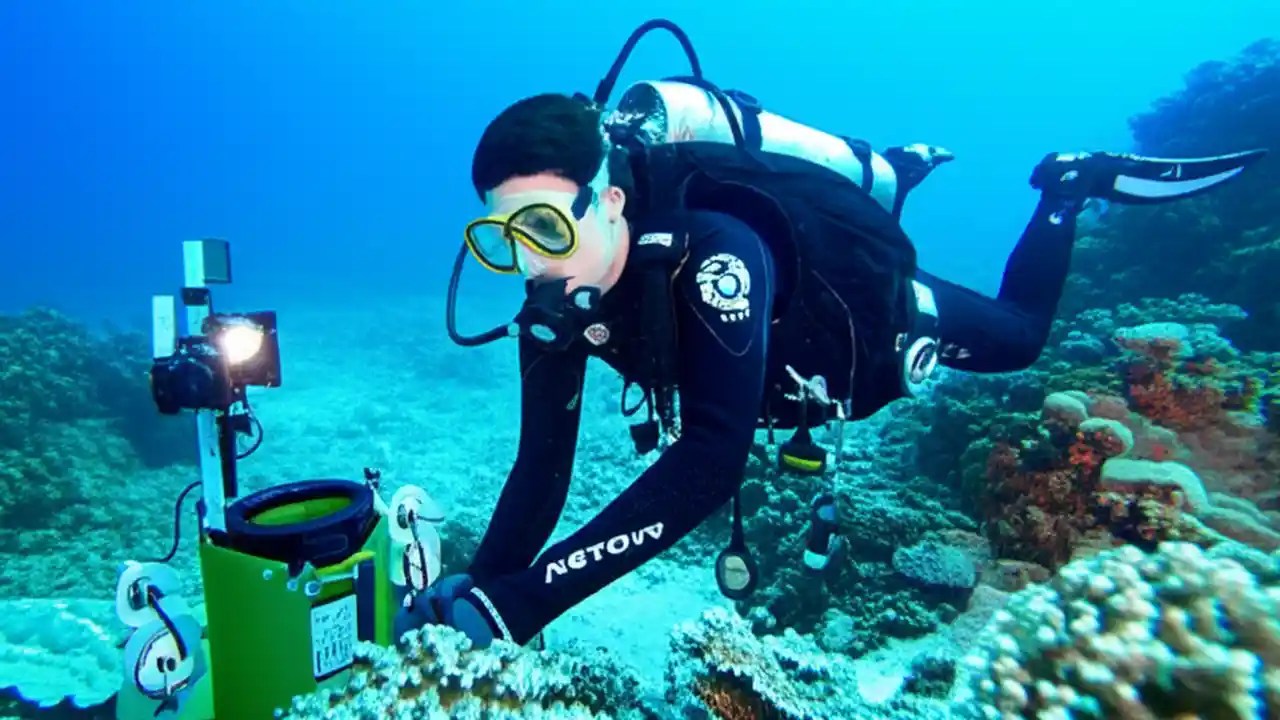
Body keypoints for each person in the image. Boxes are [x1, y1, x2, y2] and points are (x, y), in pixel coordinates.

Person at [398, 66, 1265, 649]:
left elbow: (708, 461)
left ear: (613, 199)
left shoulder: (718, 254)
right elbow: (540, 464)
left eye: (546, 226)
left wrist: (517, 606)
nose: (532, 261)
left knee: (1020, 339)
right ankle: (897, 170)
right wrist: (478, 598)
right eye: (501, 237)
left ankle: (1066, 190)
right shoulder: (552, 302)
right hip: (778, 386)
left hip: (872, 338)